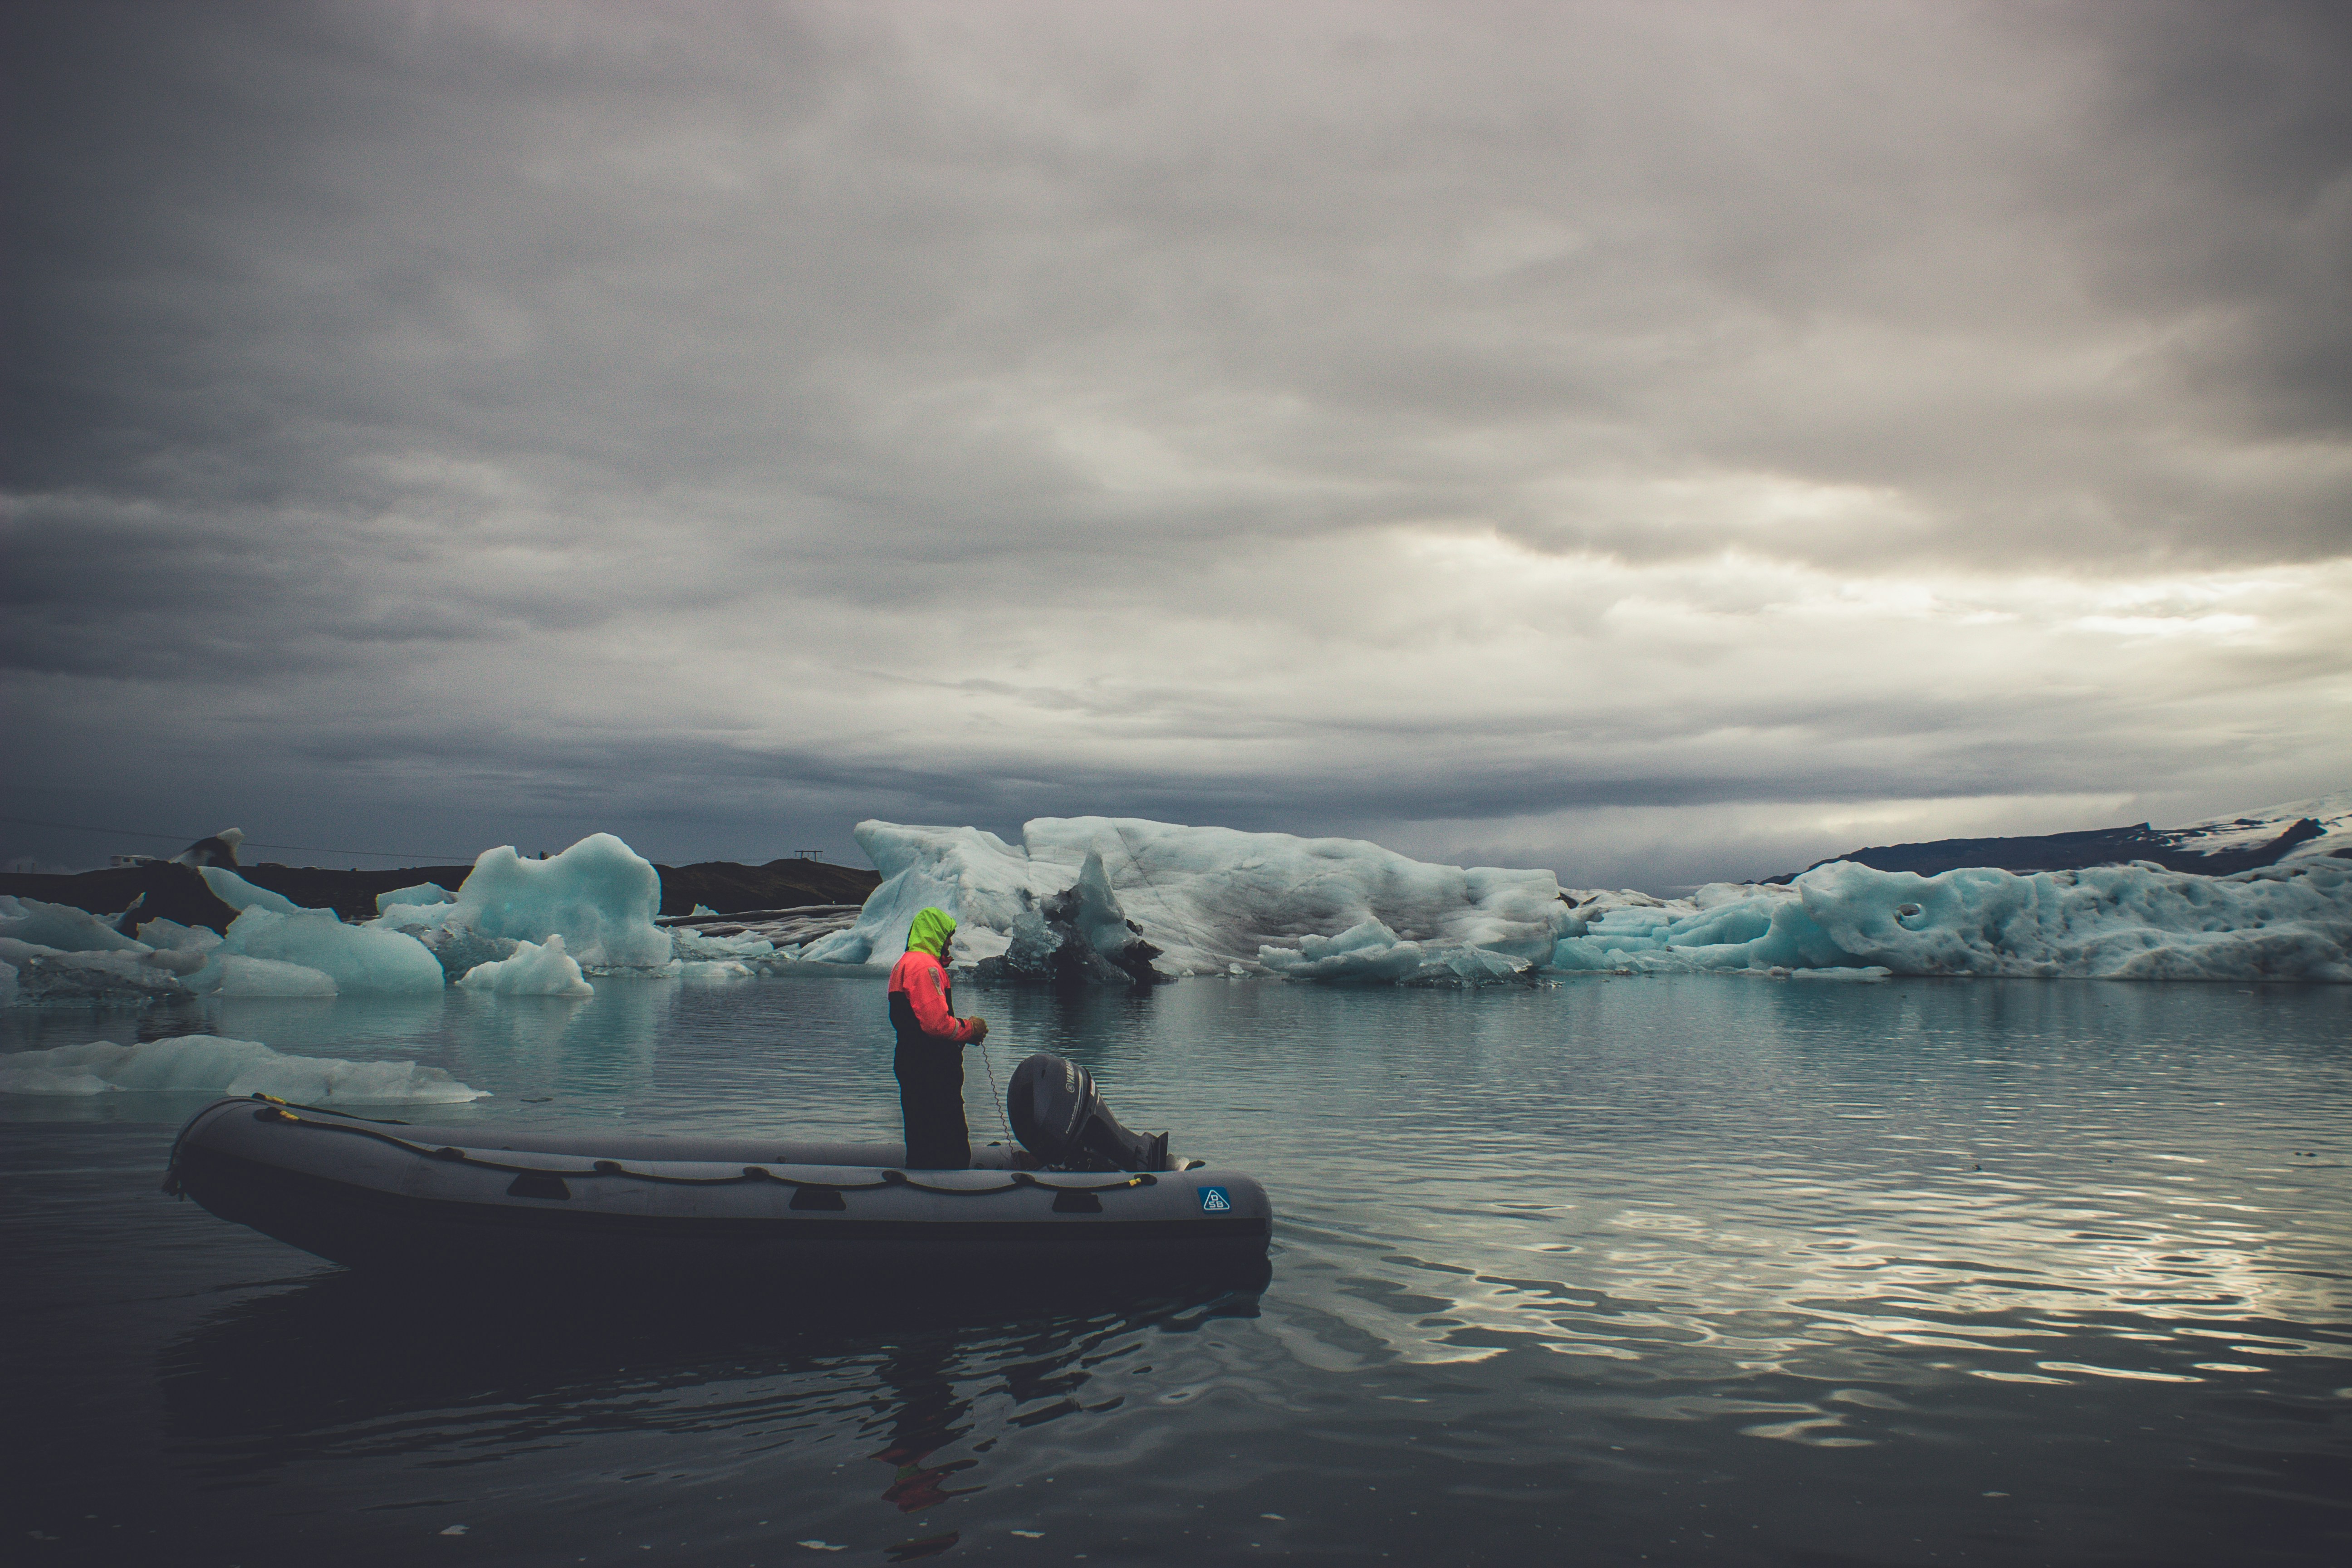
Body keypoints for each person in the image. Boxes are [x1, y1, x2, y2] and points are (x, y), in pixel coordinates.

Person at [887, 907, 989, 1169]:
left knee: (921, 1137)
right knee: (950, 1143)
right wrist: (971, 1029)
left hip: (912, 1063)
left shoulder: (905, 964)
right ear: (935, 935)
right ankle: (952, 1198)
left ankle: (919, 1196)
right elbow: (936, 1025)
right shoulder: (925, 967)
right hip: (932, 1070)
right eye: (948, 935)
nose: (951, 942)